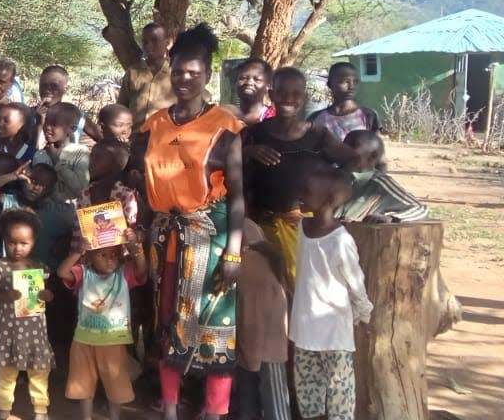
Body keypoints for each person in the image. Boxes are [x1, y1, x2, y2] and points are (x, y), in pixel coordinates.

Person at [136, 23, 245, 420]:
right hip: (164, 236)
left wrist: (233, 253)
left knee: (216, 324)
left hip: (209, 236)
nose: (184, 79)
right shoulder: (155, 124)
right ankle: (169, 407)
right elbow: (143, 182)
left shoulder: (225, 128)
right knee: (167, 322)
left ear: (207, 76)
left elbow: (237, 196)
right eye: (179, 71)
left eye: (194, 73)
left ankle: (214, 412)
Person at [244, 67, 352, 287]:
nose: (288, 99)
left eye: (296, 94)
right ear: (271, 95)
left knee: (303, 287)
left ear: (304, 98)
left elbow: (351, 162)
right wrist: (248, 152)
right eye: (282, 93)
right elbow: (235, 171)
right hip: (261, 227)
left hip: (302, 229)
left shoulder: (317, 135)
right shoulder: (255, 134)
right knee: (268, 287)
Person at [290, 163, 373, 420]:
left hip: (333, 331)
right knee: (309, 394)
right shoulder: (301, 228)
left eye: (307, 192)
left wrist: (364, 312)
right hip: (305, 328)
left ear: (328, 200)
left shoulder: (341, 240)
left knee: (338, 394)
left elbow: (355, 282)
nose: (300, 196)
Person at [58, 224, 148, 420]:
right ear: (89, 257)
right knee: (83, 385)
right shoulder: (84, 273)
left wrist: (136, 248)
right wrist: (77, 252)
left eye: (114, 255)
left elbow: (142, 269)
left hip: (113, 341)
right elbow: (62, 272)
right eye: (102, 255)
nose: (110, 260)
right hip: (83, 339)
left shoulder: (123, 275)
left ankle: (114, 417)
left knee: (116, 385)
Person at [0, 209, 55, 420]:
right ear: (4, 239)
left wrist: (46, 295)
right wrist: (5, 296)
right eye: (12, 242)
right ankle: (3, 410)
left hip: (35, 335)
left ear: (34, 241)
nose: (17, 248)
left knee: (39, 375)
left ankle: (40, 412)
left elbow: (47, 296)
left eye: (24, 243)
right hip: (9, 334)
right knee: (6, 375)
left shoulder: (39, 267)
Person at [234, 219, 291, 420]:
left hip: (264, 323)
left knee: (269, 390)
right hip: (252, 320)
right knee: (255, 383)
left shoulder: (242, 230)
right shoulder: (249, 227)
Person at [339, 130, 429, 223]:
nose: (344, 149)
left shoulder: (380, 183)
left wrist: (392, 218)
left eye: (353, 145)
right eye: (344, 144)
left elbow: (420, 209)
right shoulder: (333, 177)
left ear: (372, 156)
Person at [116, 23, 176, 130]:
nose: (148, 45)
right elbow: (122, 107)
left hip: (166, 137)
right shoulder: (133, 72)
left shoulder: (177, 72)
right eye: (145, 42)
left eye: (154, 40)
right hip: (135, 138)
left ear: (167, 42)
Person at [309, 62, 381, 142]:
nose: (351, 86)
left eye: (355, 82)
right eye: (345, 81)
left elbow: (377, 150)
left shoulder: (368, 116)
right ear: (330, 84)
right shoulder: (316, 118)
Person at [34, 101, 90, 204]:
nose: (47, 128)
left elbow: (81, 190)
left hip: (70, 213)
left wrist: (57, 161)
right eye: (46, 123)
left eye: (54, 124)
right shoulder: (40, 154)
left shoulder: (80, 152)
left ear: (72, 128)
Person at [36, 65, 101, 141]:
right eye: (43, 85)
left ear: (65, 88)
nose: (47, 89)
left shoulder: (76, 115)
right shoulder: (27, 114)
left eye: (54, 86)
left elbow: (103, 140)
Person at [231, 58, 276, 126]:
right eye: (243, 78)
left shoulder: (275, 118)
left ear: (268, 86)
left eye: (257, 79)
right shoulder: (226, 117)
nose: (249, 82)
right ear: (235, 83)